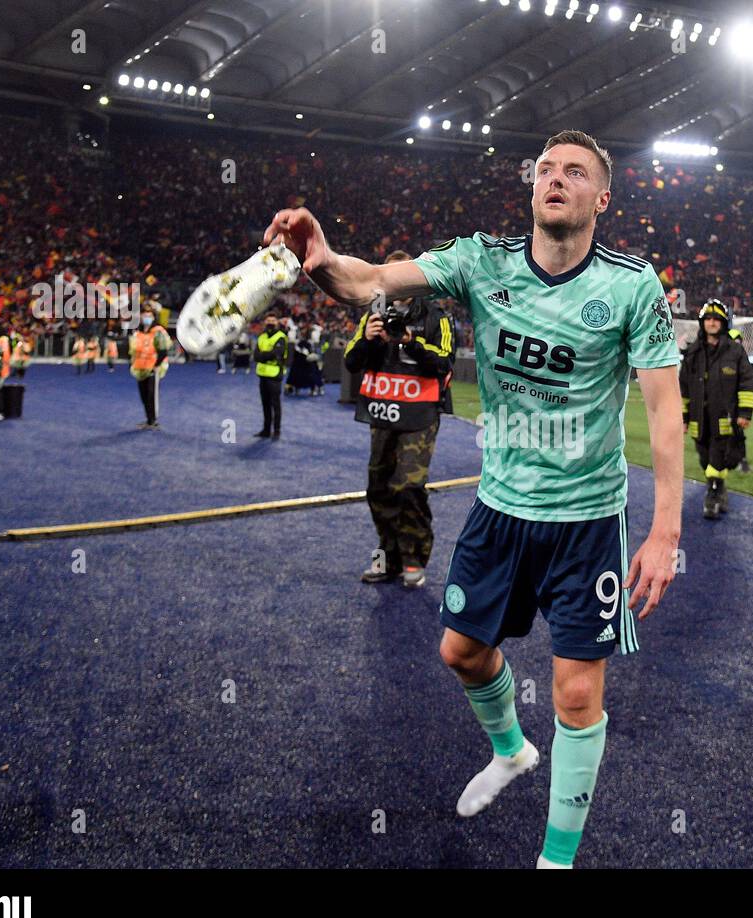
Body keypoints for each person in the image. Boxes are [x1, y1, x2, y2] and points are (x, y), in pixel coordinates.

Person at [265, 128, 683, 870]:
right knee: (460, 651)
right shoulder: (479, 261)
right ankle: (512, 751)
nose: (556, 179)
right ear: (532, 188)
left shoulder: (631, 286)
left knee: (577, 694)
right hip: (501, 508)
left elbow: (662, 411)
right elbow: (370, 283)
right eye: (546, 169)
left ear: (602, 198)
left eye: (575, 172)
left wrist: (664, 531)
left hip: (588, 521)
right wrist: (325, 260)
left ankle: (556, 861)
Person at [342, 249, 454, 587]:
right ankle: (385, 559)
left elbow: (444, 363)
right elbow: (351, 362)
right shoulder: (373, 314)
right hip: (383, 413)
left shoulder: (436, 317)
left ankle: (413, 561)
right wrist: (367, 339)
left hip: (419, 417)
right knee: (378, 487)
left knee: (408, 486)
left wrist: (411, 341)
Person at [679, 298, 753, 519]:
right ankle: (720, 489)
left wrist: (745, 413)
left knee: (717, 458)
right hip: (698, 419)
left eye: (716, 319)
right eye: (708, 319)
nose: (712, 323)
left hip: (724, 417)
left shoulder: (735, 351)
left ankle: (712, 495)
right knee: (705, 459)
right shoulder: (692, 352)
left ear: (723, 323)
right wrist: (683, 417)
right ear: (702, 323)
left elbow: (747, 382)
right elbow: (683, 387)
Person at [130, 311, 171, 429]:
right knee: (143, 395)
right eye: (144, 315)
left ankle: (153, 421)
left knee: (151, 395)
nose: (146, 318)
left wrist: (157, 364)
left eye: (149, 316)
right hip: (140, 368)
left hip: (152, 368)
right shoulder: (138, 332)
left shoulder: (157, 332)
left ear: (153, 317)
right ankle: (148, 420)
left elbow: (163, 350)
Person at [253, 313, 289, 439]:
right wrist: (266, 356)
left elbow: (276, 354)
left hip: (274, 375)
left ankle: (277, 430)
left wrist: (263, 356)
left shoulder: (281, 337)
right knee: (265, 404)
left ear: (277, 322)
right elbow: (255, 356)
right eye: (268, 320)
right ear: (264, 322)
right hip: (262, 374)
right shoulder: (261, 337)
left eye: (273, 320)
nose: (271, 322)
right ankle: (266, 430)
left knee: (275, 404)